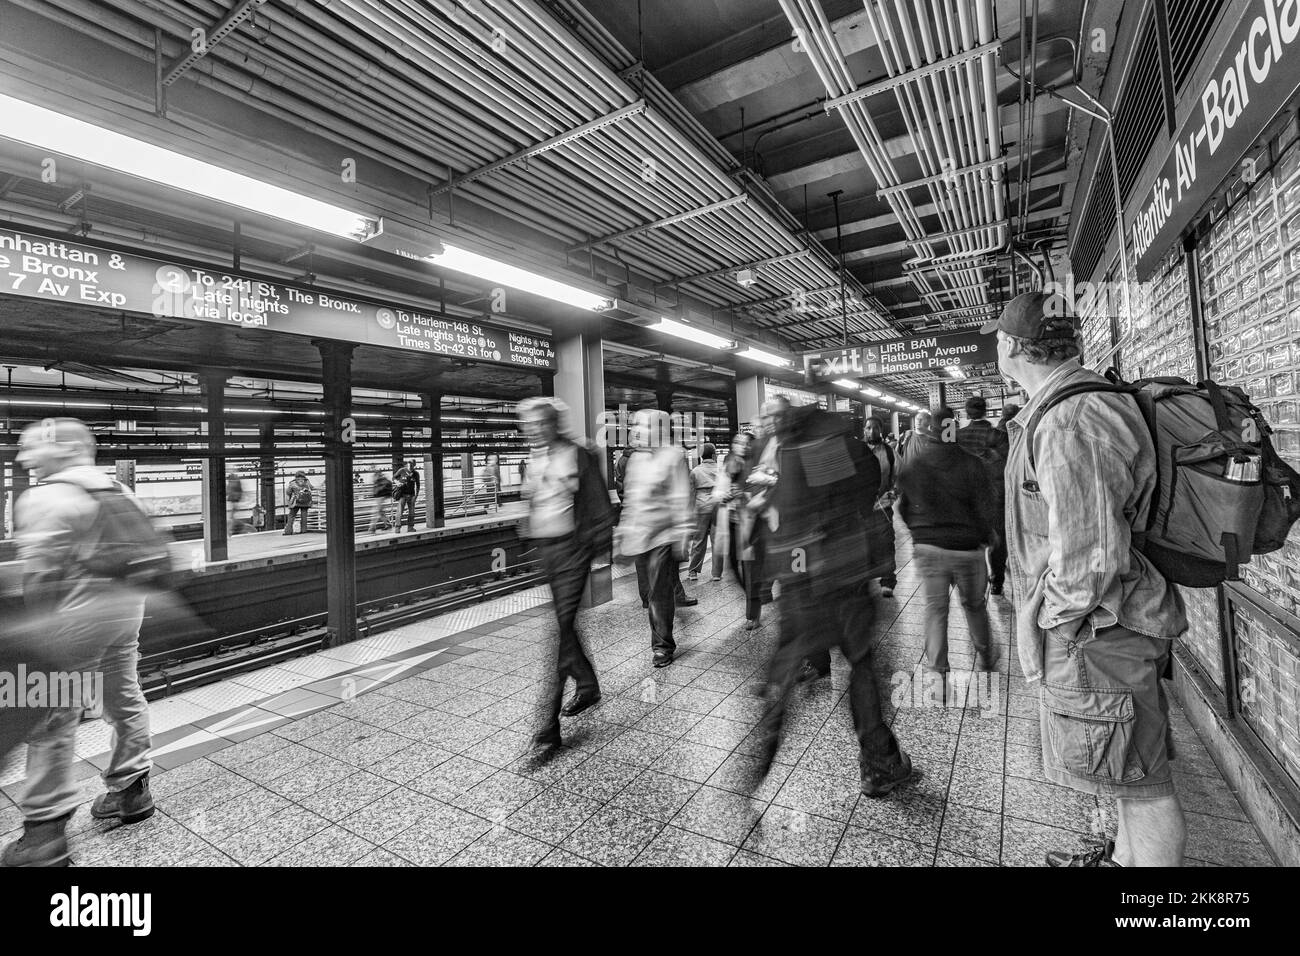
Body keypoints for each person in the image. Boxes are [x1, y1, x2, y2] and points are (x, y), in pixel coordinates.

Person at [983, 290, 1188, 867]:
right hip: (1104, 625)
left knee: (1142, 785)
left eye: (999, 337)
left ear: (1013, 347)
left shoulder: (1070, 419)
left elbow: (1089, 555)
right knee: (1122, 769)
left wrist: (1054, 623)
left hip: (1098, 630)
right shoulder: (1070, 405)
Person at [2, 419, 156, 867]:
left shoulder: (45, 496)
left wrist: (33, 640)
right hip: (127, 612)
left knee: (51, 716)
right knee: (123, 694)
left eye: (32, 453)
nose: (27, 460)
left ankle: (44, 834)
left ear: (57, 452)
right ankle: (131, 791)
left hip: (74, 620)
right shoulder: (117, 490)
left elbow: (40, 574)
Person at [752, 403, 914, 796]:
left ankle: (763, 745)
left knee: (788, 660)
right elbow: (865, 496)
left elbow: (776, 514)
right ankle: (879, 764)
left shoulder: (784, 454)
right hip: (844, 577)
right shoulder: (841, 446)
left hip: (797, 580)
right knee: (861, 666)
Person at [517, 397, 613, 756]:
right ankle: (587, 684)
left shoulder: (580, 454)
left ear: (553, 423)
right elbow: (537, 499)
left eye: (538, 423)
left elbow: (600, 505)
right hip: (549, 552)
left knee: (559, 632)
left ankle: (548, 724)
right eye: (526, 424)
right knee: (566, 626)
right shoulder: (537, 456)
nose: (532, 430)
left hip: (573, 551)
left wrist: (596, 549)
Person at [896, 405, 998, 681]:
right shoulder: (972, 462)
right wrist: (985, 535)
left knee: (936, 610)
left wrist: (920, 533)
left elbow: (903, 506)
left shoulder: (916, 463)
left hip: (930, 549)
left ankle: (937, 673)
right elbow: (987, 506)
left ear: (930, 430)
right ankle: (986, 655)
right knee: (974, 605)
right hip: (967, 550)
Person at [616, 409, 693, 667]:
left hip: (663, 534)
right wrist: (624, 533)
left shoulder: (673, 456)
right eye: (635, 425)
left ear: (658, 428)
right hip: (640, 535)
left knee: (659, 592)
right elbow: (631, 500)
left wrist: (683, 536)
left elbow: (682, 498)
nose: (637, 430)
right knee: (651, 593)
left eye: (643, 425)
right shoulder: (636, 458)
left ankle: (662, 646)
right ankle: (663, 634)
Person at [740, 397, 789, 628]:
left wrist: (769, 486)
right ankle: (752, 614)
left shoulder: (792, 445)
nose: (768, 421)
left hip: (789, 523)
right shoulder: (757, 446)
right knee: (752, 569)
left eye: (773, 415)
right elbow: (746, 479)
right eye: (765, 416)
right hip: (759, 523)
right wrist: (751, 493)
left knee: (793, 573)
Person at [957, 394, 1011, 596]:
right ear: (986, 411)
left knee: (971, 538)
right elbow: (1009, 464)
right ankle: (997, 581)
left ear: (966, 412)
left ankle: (972, 579)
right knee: (997, 538)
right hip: (995, 494)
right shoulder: (997, 435)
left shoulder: (959, 436)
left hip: (967, 496)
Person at [686, 443, 721, 582]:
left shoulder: (695, 471)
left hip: (701, 507)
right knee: (717, 540)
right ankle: (716, 574)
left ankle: (693, 572)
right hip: (718, 506)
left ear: (701, 456)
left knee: (699, 540)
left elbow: (691, 493)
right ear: (714, 455)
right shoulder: (721, 470)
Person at [392, 460, 420, 533]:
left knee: (412, 512)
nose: (410, 466)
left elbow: (418, 486)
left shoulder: (416, 474)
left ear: (414, 465)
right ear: (407, 464)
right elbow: (394, 478)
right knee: (399, 512)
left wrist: (416, 496)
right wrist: (397, 483)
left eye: (412, 465)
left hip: (411, 495)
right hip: (402, 495)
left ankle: (410, 527)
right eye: (409, 465)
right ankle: (397, 528)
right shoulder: (402, 470)